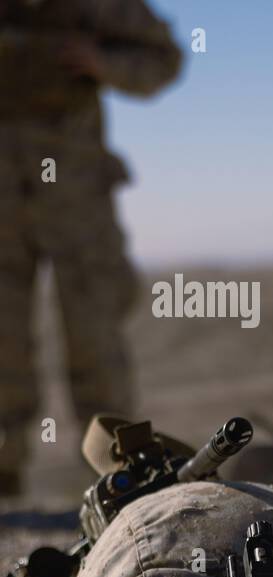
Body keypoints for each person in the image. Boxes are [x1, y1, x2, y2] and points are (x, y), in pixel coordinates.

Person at [0, 0, 182, 495]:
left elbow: (165, 59)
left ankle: (120, 475)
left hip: (74, 192)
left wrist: (104, 64)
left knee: (94, 334)